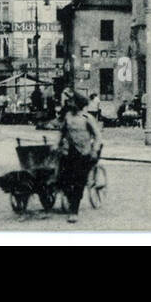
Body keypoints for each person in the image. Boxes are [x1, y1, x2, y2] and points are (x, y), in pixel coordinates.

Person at [57, 91, 103, 224]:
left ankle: (74, 212)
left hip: (84, 154)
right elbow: (62, 133)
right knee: (63, 179)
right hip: (70, 152)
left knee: (78, 182)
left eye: (71, 101)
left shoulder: (87, 118)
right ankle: (69, 199)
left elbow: (98, 137)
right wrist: (58, 144)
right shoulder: (68, 117)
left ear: (77, 104)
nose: (69, 103)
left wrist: (95, 150)